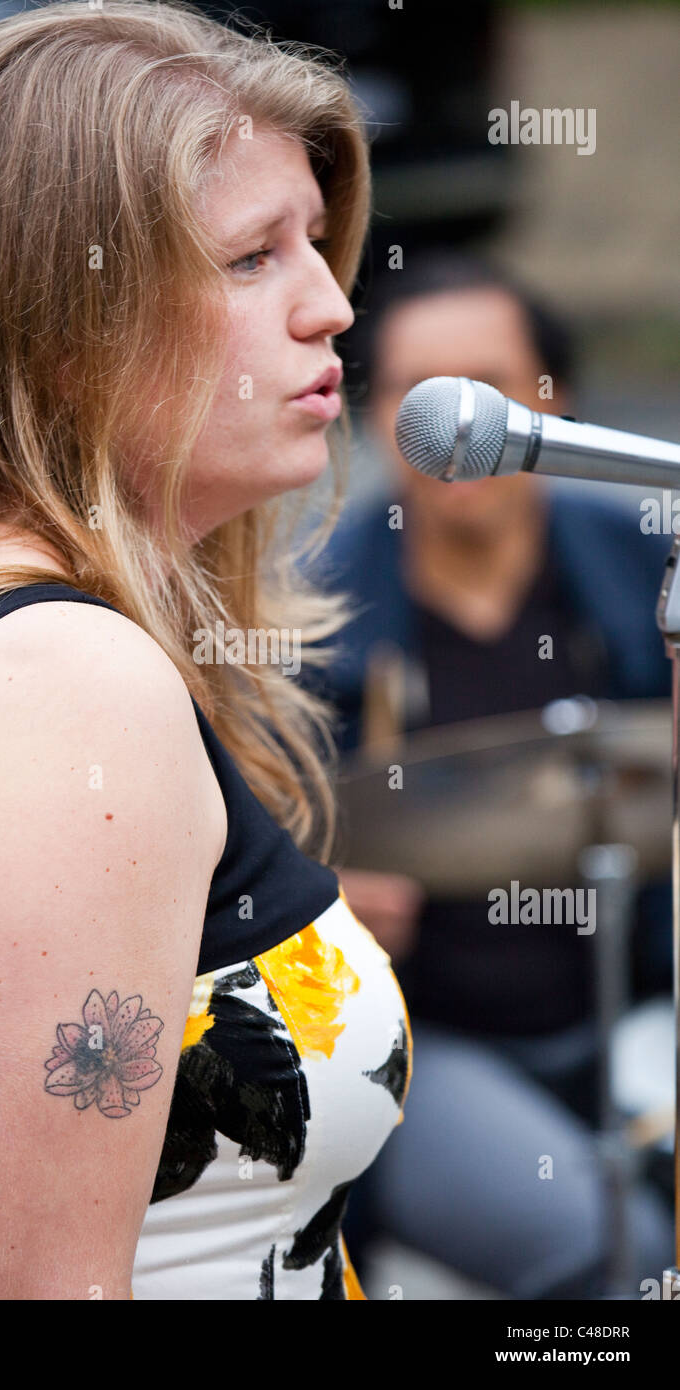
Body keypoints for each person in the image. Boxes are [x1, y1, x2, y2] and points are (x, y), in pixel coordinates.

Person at [0, 0, 413, 1301]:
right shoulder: (72, 694)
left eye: (316, 244)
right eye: (252, 258)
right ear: (66, 315)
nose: (331, 308)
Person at [304, 251, 675, 1298]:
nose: (459, 430)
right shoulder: (301, 621)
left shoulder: (647, 561)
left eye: (490, 389)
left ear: (549, 400)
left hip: (639, 1004)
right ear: (377, 415)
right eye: (423, 396)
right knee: (615, 1253)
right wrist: (313, 909)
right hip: (430, 1043)